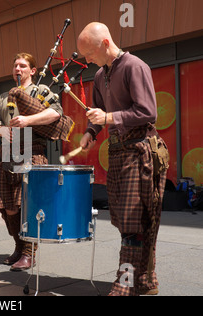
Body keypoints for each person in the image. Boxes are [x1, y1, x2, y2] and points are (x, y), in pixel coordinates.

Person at [77, 22, 169, 296]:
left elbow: (147, 112)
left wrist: (108, 118)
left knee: (134, 221)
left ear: (105, 43)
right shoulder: (98, 76)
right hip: (117, 153)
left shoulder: (134, 66)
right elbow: (100, 111)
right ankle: (146, 281)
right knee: (128, 221)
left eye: (89, 53)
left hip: (140, 150)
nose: (87, 59)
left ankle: (125, 284)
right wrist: (91, 131)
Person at [0, 53, 63, 271]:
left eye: (22, 65)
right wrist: (0, 129)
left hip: (32, 152)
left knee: (29, 206)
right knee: (9, 208)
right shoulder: (3, 97)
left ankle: (29, 254)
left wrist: (28, 120)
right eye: (15, 65)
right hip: (7, 155)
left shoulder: (41, 92)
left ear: (33, 70)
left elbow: (56, 114)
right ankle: (18, 247)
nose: (17, 69)